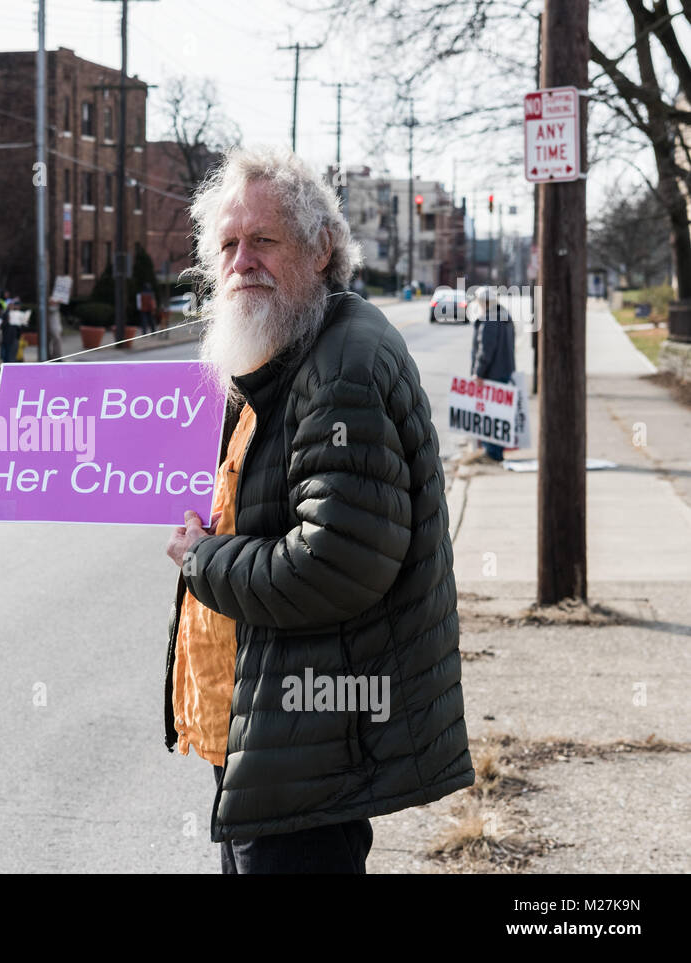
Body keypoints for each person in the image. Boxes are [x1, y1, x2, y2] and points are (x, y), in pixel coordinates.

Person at [163, 145, 473, 874]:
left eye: (263, 240)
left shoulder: (343, 364)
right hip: (273, 732)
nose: (242, 261)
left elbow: (333, 562)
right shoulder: (282, 351)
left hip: (311, 744)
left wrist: (203, 558)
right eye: (229, 245)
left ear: (321, 247)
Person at [468, 285, 517, 463]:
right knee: (500, 415)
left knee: (490, 415)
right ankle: (496, 452)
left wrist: (478, 373)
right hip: (504, 370)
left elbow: (485, 349)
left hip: (491, 374)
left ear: (483, 303)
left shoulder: (489, 319)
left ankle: (492, 453)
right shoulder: (504, 316)